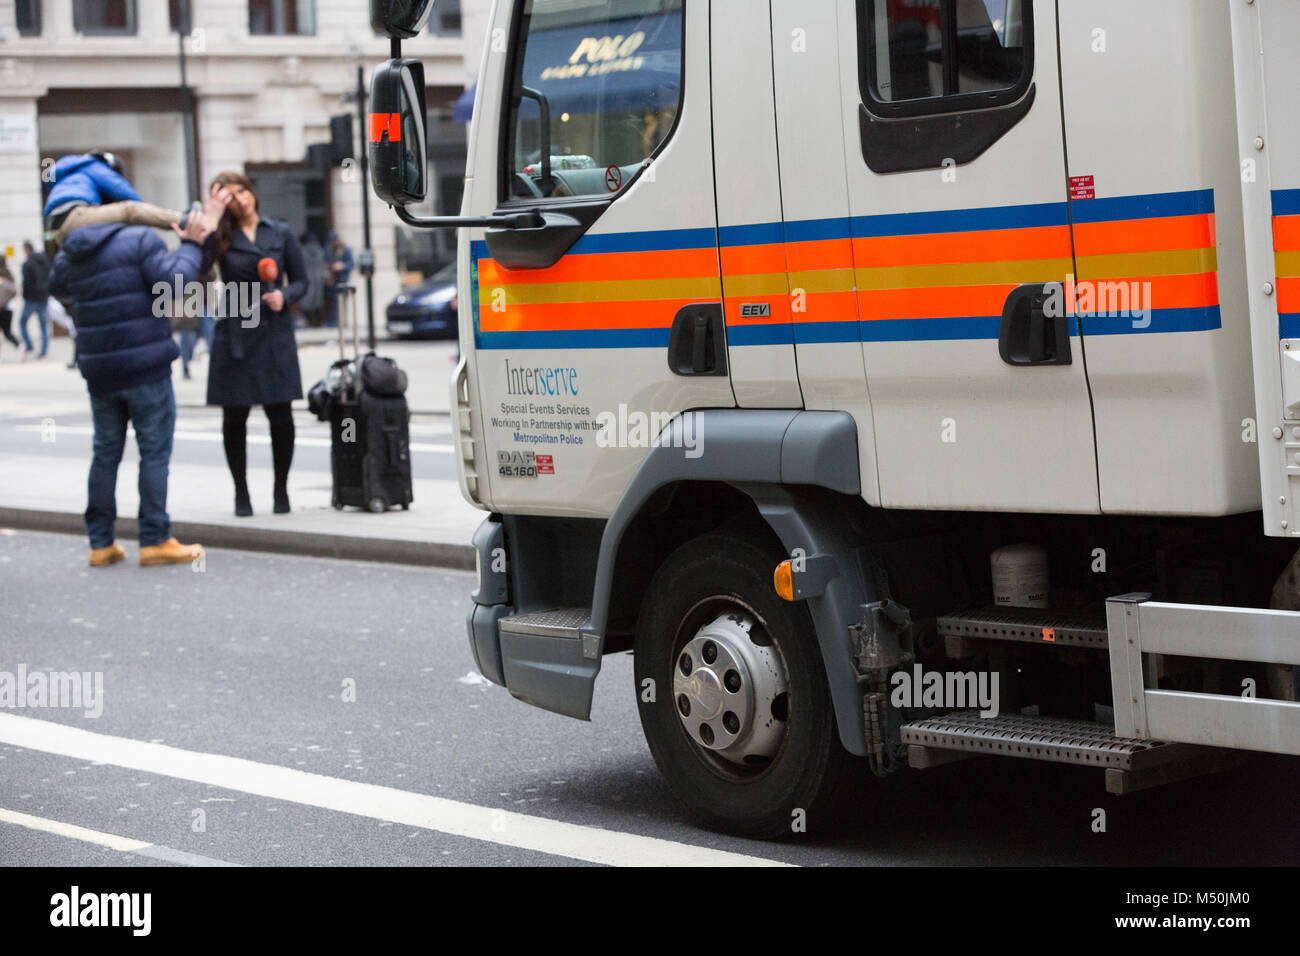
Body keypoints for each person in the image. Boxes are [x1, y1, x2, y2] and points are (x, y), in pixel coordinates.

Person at [49, 188, 228, 567]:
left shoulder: (72, 251)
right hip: (145, 366)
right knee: (154, 453)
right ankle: (154, 539)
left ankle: (100, 543)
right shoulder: (139, 240)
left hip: (99, 369)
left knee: (105, 453)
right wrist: (193, 245)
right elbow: (176, 285)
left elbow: (58, 288)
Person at [200, 171, 308, 517]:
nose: (241, 199)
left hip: (275, 331)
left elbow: (304, 280)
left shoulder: (280, 232)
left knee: (281, 415)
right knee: (235, 417)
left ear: (252, 192)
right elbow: (199, 270)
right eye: (231, 197)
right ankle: (241, 493)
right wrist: (211, 219)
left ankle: (281, 490)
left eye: (242, 190)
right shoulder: (220, 236)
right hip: (236, 332)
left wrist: (285, 295)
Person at [43, 152, 182, 244]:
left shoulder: (70, 174)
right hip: (74, 216)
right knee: (131, 210)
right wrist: (145, 212)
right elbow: (121, 190)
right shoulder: (94, 166)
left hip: (54, 228)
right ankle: (183, 220)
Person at [18, 240, 51, 359]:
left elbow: (26, 283)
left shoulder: (27, 264)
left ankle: (29, 346)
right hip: (44, 297)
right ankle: (43, 350)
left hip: (31, 298)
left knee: (22, 323)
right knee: (43, 325)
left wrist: (25, 296)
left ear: (27, 250)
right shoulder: (45, 262)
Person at [324, 232, 354, 328]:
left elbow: (351, 263)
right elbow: (325, 262)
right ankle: (334, 321)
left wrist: (342, 266)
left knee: (340, 302)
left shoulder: (346, 250)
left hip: (343, 279)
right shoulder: (329, 250)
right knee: (334, 302)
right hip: (334, 280)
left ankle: (338, 322)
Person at [0, 258, 20, 357]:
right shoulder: (8, 272)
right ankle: (20, 346)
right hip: (9, 306)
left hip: (3, 307)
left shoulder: (2, 274)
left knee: (7, 332)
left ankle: (19, 346)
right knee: (7, 331)